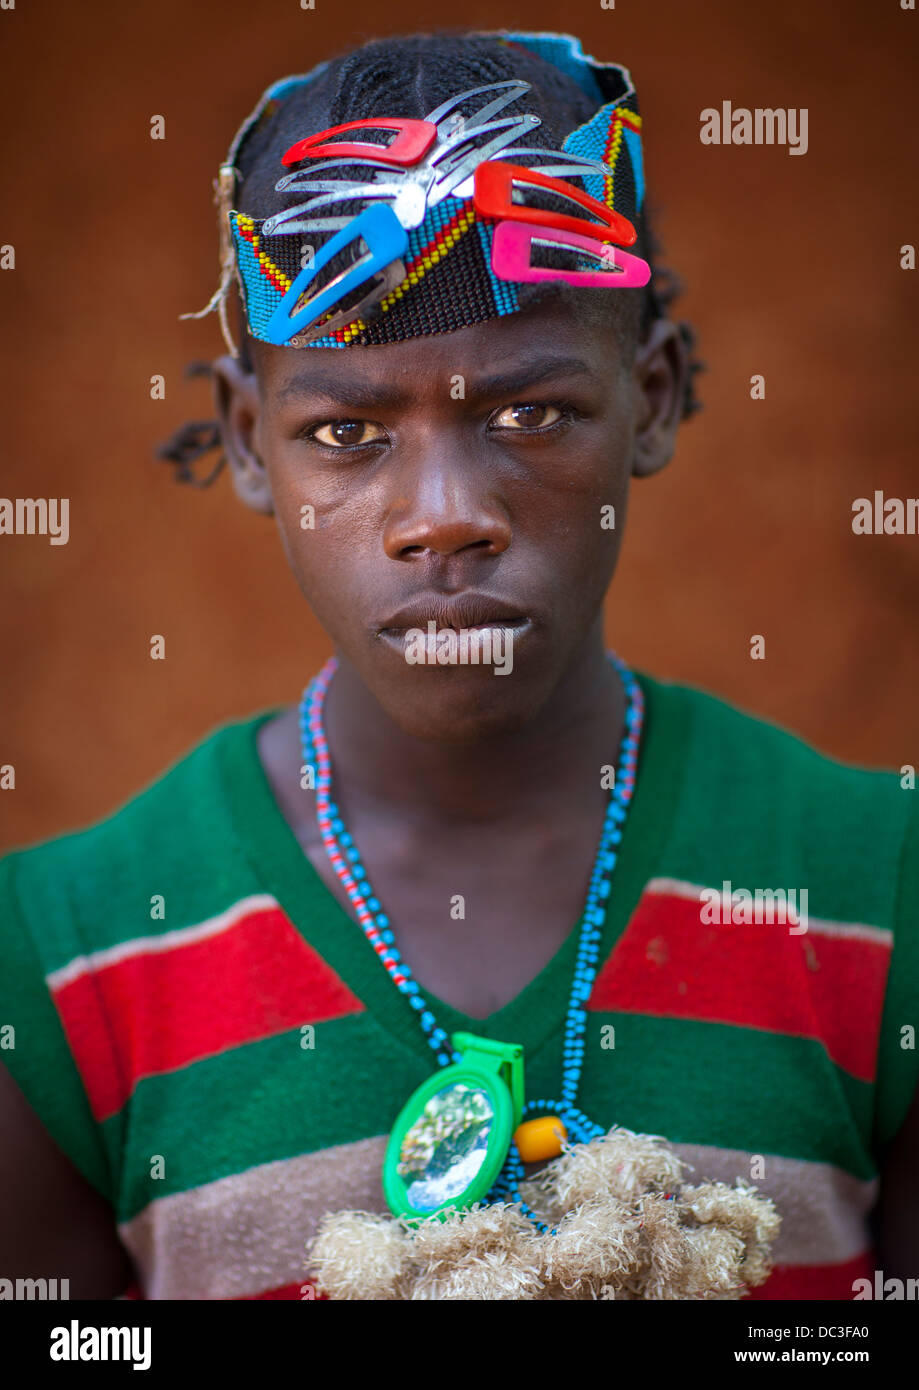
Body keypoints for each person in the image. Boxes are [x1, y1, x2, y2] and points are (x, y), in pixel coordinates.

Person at [1, 28, 916, 1303]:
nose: (444, 518)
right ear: (248, 442)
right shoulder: (63, 964)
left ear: (650, 398)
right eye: (346, 431)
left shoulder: (878, 890)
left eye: (530, 413)